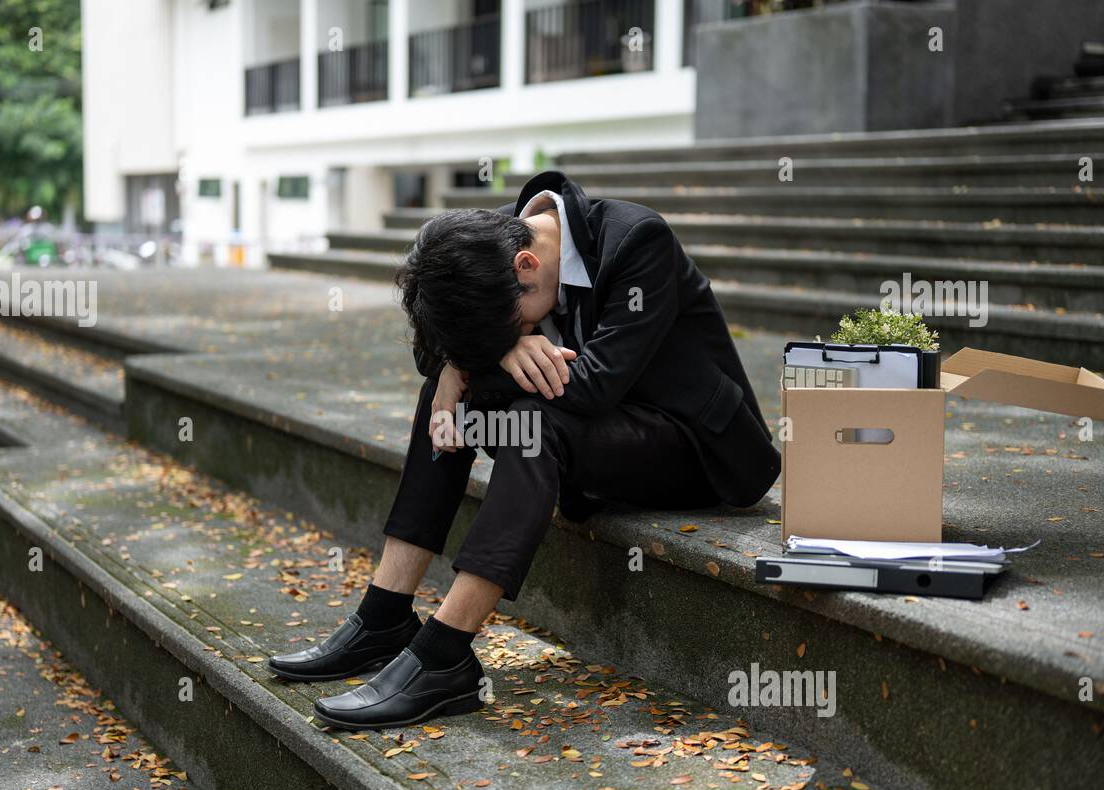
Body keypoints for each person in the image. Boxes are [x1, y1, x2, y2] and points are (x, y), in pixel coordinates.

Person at [269, 171, 779, 730]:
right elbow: (432, 349)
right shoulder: (489, 248)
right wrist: (485, 354)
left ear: (527, 267)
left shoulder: (637, 240)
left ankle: (444, 654)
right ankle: (384, 616)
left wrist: (485, 361)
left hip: (694, 450)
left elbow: (595, 385)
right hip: (603, 441)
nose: (511, 335)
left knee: (531, 420)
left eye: (508, 325)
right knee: (443, 390)